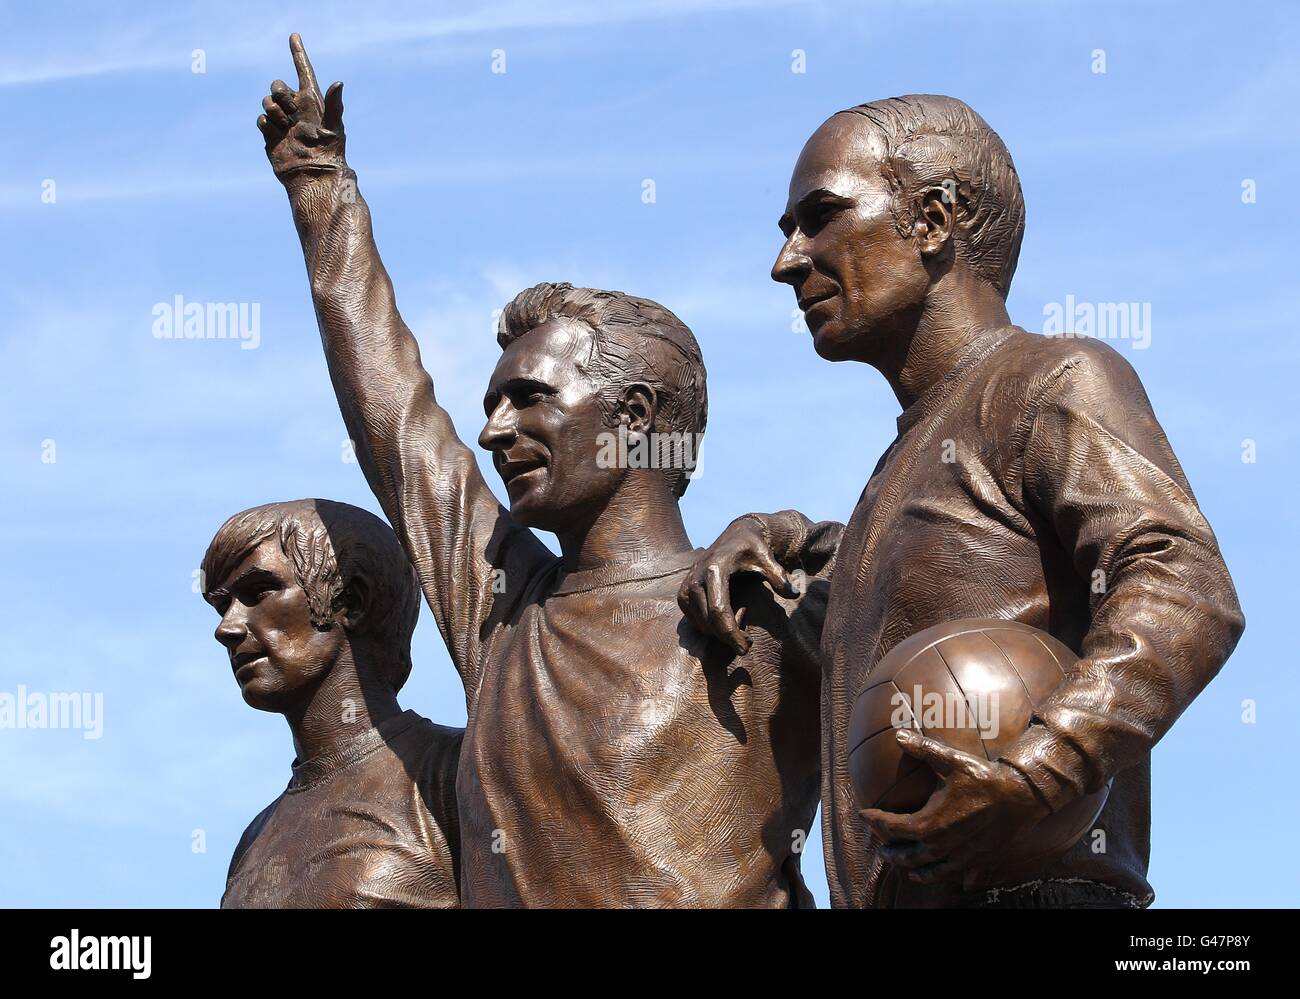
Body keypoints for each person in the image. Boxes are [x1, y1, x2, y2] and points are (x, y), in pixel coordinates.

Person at [254, 35, 822, 907]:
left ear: (634, 419)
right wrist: (321, 192)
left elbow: (943, 584)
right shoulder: (502, 611)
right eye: (490, 404)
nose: (492, 431)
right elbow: (395, 419)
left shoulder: (765, 598)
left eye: (528, 400)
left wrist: (801, 537)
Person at [679, 95, 1245, 908]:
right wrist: (777, 538)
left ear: (936, 218)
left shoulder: (1056, 378)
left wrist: (1044, 764)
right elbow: (934, 570)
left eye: (820, 217)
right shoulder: (898, 469)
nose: (787, 260)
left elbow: (1185, 584)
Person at [203, 499, 462, 908]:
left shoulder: (456, 775)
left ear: (351, 602)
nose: (227, 627)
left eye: (258, 592)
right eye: (222, 606)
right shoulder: (257, 838)